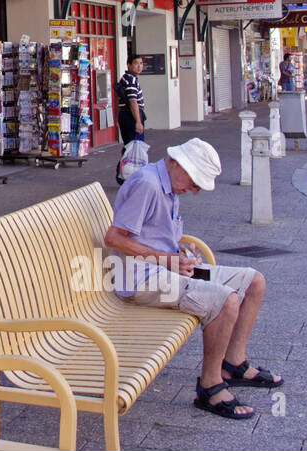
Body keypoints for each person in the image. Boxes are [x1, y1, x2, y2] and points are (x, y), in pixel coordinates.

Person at [103, 138, 281, 420]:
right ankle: (210, 386)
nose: (194, 191)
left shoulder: (168, 185)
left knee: (254, 281)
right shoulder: (148, 184)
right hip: (139, 279)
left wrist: (181, 252)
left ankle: (233, 363)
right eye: (195, 182)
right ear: (175, 163)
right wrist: (168, 259)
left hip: (165, 270)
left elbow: (153, 237)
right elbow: (113, 238)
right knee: (225, 301)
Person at [115, 55, 146, 184]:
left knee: (130, 146)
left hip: (125, 116)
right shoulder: (131, 81)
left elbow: (118, 100)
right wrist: (138, 122)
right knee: (134, 145)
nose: (139, 66)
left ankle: (125, 173)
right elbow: (133, 102)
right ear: (128, 65)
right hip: (131, 117)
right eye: (136, 63)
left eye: (141, 63)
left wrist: (117, 117)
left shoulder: (125, 79)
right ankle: (126, 174)